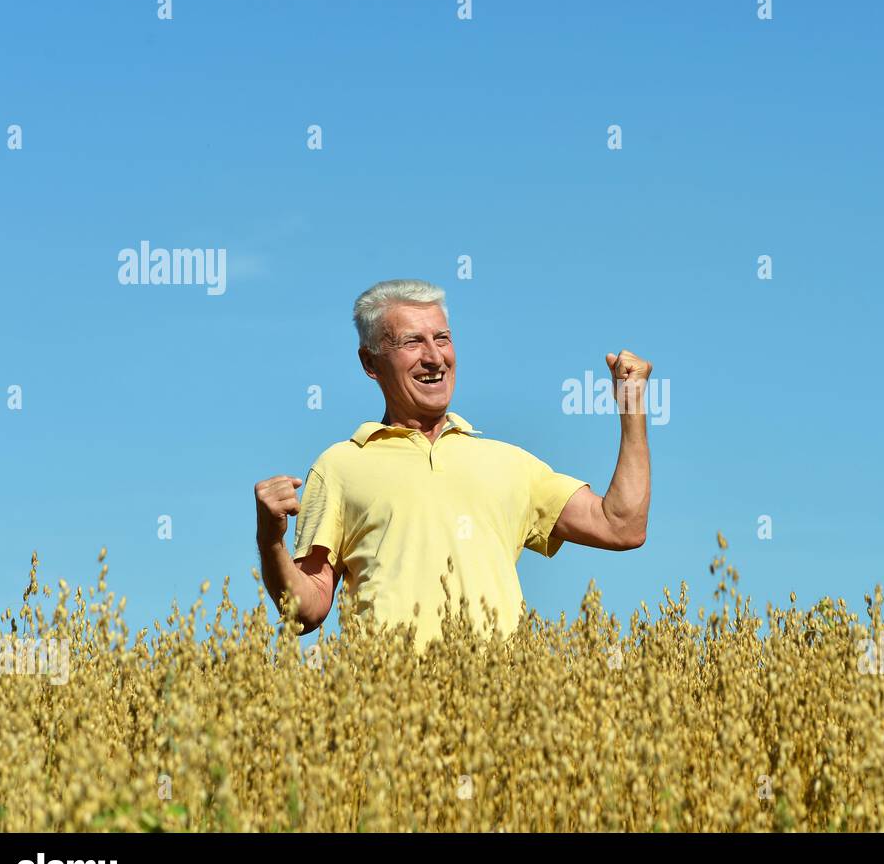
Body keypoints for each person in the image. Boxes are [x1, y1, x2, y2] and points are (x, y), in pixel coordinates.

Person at [254, 278, 652, 651]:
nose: (434, 357)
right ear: (370, 362)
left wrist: (632, 407)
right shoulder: (340, 465)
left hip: (501, 704)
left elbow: (621, 525)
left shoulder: (509, 463)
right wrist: (271, 538)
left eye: (442, 338)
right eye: (412, 342)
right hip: (386, 705)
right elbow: (306, 610)